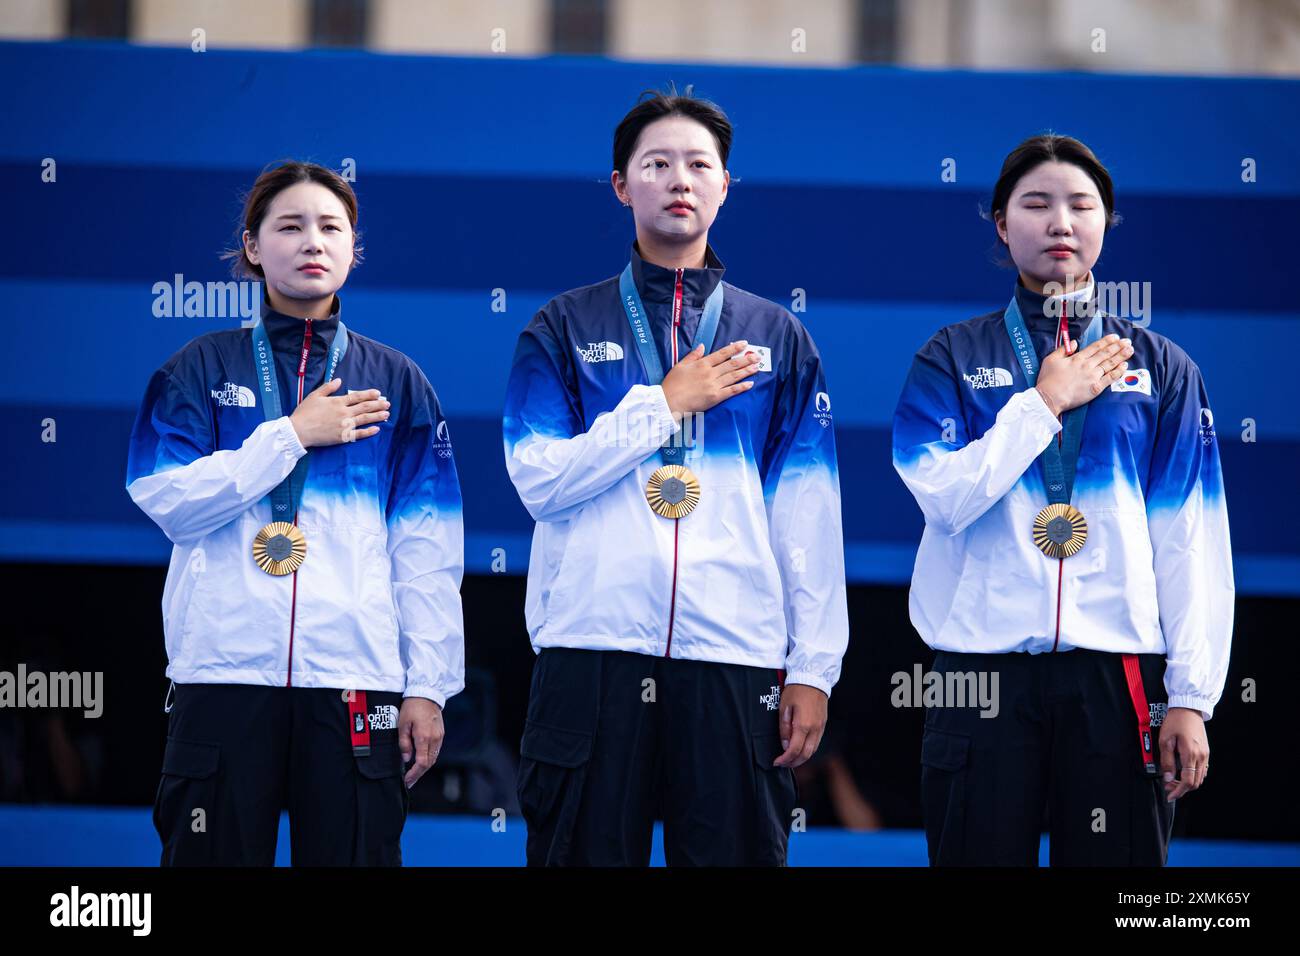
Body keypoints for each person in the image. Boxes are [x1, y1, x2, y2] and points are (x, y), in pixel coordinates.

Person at [502, 86, 850, 866]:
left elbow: (808, 516)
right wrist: (660, 405)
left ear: (725, 185)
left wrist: (814, 668)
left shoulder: (777, 336)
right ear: (623, 185)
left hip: (734, 657)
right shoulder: (562, 325)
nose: (680, 179)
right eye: (657, 163)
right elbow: (539, 481)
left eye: (699, 164)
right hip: (590, 654)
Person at [892, 134, 1233, 865]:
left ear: (1106, 222)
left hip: (1116, 671)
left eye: (1080, 205)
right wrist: (1044, 402)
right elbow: (944, 498)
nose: (1060, 222)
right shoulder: (949, 357)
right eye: (1036, 204)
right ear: (1000, 223)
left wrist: (1192, 697)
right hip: (978, 668)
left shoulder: (1163, 368)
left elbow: (1191, 542)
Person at [125, 161, 465, 865]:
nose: (312, 240)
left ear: (352, 249)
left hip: (353, 679)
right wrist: (289, 436)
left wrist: (428, 685)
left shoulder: (398, 382)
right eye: (289, 225)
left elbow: (426, 550)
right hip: (223, 677)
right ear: (252, 247)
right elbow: (170, 503)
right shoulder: (196, 369)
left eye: (330, 227)